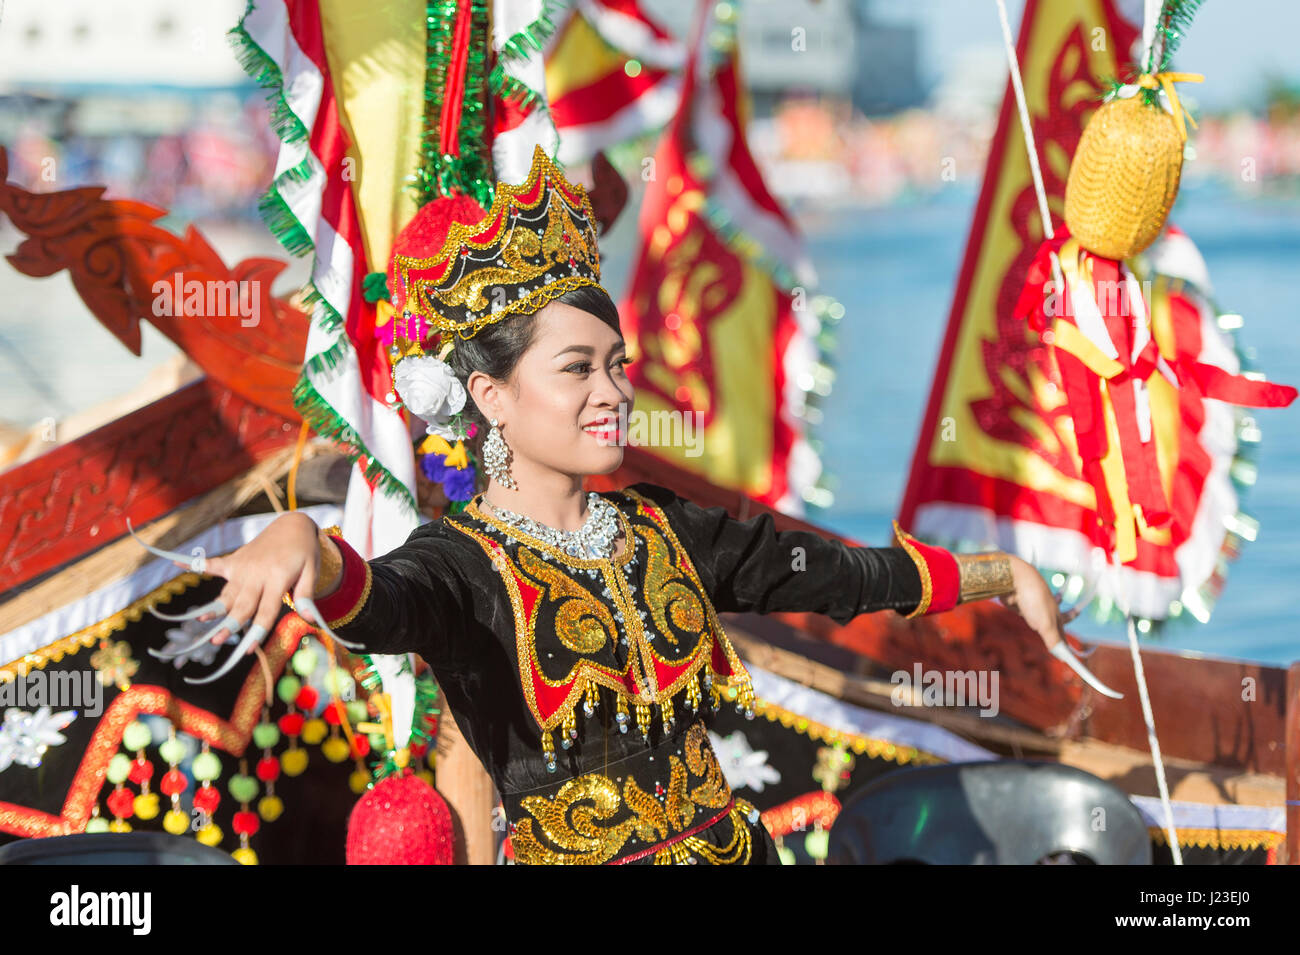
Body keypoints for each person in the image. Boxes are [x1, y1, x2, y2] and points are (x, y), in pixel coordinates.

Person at [162, 147, 1077, 865]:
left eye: (616, 366)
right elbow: (376, 601)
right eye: (574, 369)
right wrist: (297, 537)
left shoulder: (663, 528)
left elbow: (843, 575)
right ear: (491, 399)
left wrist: (1003, 573)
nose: (611, 392)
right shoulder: (461, 566)